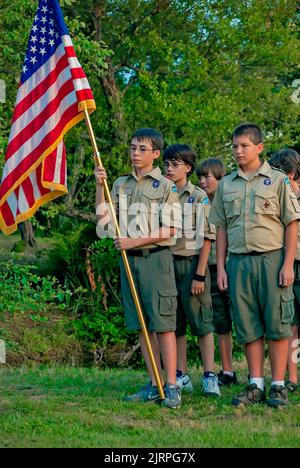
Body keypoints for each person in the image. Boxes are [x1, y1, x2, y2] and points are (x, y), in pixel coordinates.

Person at [209, 123, 300, 408]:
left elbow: (292, 223)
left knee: (278, 323)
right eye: (235, 146)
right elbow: (221, 228)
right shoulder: (227, 184)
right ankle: (255, 384)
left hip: (271, 260)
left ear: (259, 148)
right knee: (247, 324)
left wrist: (287, 264)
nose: (238, 151)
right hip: (238, 262)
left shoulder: (277, 180)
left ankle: (278, 385)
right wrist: (222, 267)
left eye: (244, 146)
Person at [95, 128, 182, 409]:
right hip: (129, 263)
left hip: (156, 259)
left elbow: (172, 229)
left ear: (156, 153)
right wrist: (99, 186)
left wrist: (134, 240)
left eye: (142, 149)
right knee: (143, 326)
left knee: (164, 324)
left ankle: (171, 386)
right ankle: (153, 382)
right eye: (132, 147)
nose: (135, 153)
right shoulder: (119, 184)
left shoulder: (166, 186)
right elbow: (104, 222)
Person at [163, 144, 220, 397]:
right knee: (175, 324)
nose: (169, 168)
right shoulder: (162, 192)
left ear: (187, 168)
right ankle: (180, 374)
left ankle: (210, 375)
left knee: (202, 321)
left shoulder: (198, 197)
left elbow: (208, 237)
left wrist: (199, 273)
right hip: (166, 264)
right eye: (167, 164)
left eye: (175, 164)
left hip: (192, 263)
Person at [196, 158, 238, 387]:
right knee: (220, 321)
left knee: (243, 318)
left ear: (220, 178)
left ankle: (257, 373)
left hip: (233, 265)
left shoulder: (231, 201)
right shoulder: (200, 203)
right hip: (209, 269)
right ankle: (228, 370)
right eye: (200, 177)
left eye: (208, 177)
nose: (203, 182)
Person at [269, 148, 300, 393]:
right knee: (289, 324)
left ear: (289, 175)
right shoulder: (278, 198)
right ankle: (292, 377)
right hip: (286, 266)